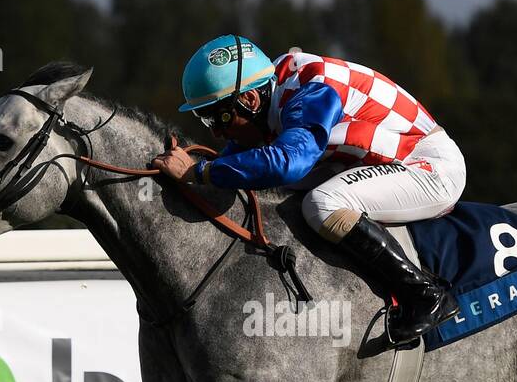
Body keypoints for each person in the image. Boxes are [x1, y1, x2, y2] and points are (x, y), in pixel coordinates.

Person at [152, 35, 466, 345]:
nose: (218, 133)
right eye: (204, 119)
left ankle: (426, 295)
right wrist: (200, 167)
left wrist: (199, 171)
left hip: (428, 166)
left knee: (322, 203)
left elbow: (290, 162)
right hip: (379, 162)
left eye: (218, 117)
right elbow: (245, 155)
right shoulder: (273, 91)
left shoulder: (311, 91)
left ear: (250, 100)